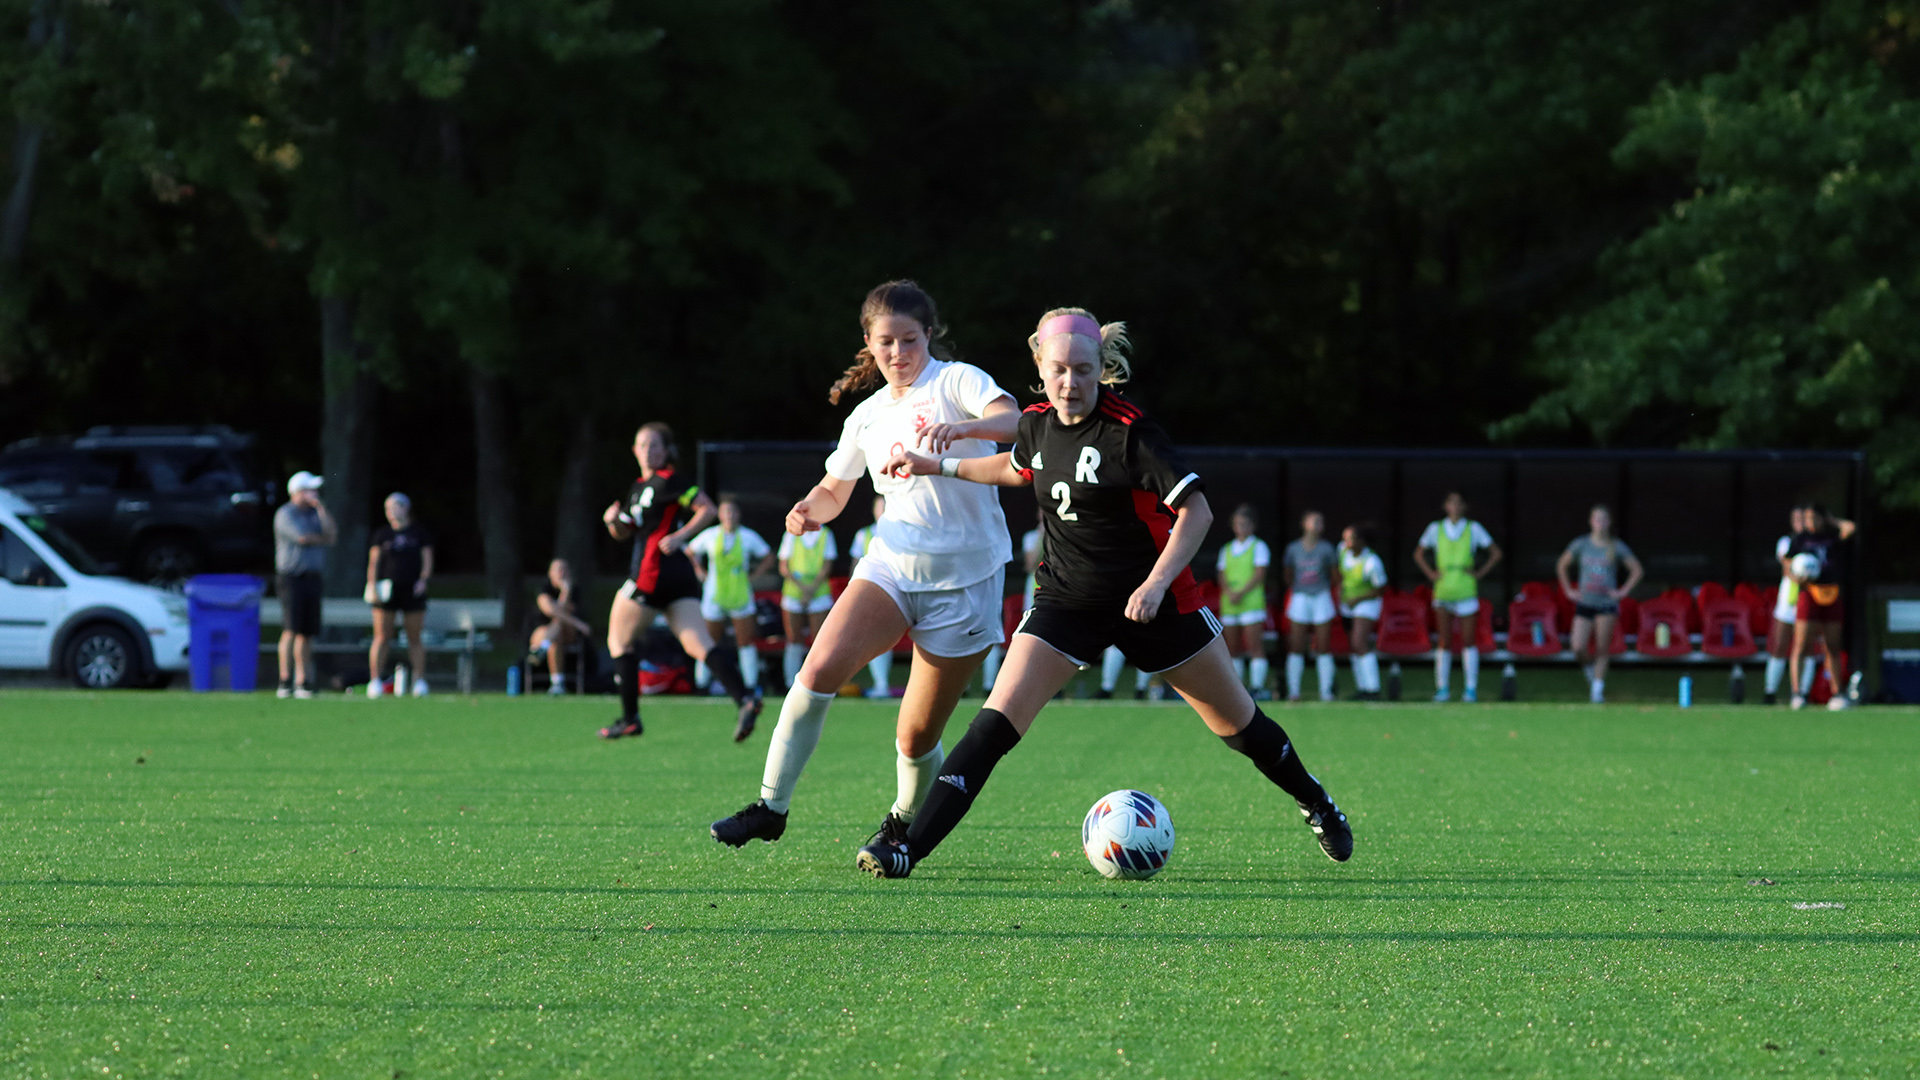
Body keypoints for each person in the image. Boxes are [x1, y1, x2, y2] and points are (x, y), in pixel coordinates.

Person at [854, 306, 1351, 879]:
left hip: (1155, 605)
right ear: (1040, 367)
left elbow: (1197, 512)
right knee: (992, 726)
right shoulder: (1036, 424)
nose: (1071, 382)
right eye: (1059, 370)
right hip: (1067, 602)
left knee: (1240, 729)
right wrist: (934, 465)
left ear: (1101, 368)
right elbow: (1015, 470)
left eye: (1083, 370)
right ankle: (908, 849)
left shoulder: (1131, 433)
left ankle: (1317, 802)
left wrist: (1155, 583)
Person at [710, 280, 1021, 850]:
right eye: (886, 342)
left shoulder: (956, 381)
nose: (899, 353)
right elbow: (835, 488)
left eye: (910, 340)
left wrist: (963, 428)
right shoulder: (867, 416)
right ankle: (771, 806)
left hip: (968, 582)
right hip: (891, 567)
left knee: (915, 737)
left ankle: (901, 823)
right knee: (816, 671)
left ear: (929, 334)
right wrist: (807, 509)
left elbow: (1014, 420)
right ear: (869, 344)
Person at [599, 422, 762, 742]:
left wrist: (681, 536)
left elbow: (707, 508)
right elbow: (624, 531)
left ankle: (630, 719)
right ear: (634, 450)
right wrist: (612, 521)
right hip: (678, 578)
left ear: (666, 451)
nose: (647, 451)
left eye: (654, 445)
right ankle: (745, 698)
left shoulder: (669, 480)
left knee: (618, 642)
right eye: (642, 445)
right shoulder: (638, 488)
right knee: (699, 644)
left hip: (651, 573)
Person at [1413, 492, 1502, 702]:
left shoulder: (1473, 528)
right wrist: (1431, 574)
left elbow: (1496, 553)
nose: (1454, 506)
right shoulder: (1435, 528)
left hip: (1465, 588)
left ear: (1464, 506)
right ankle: (1442, 688)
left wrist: (1479, 573)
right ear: (1445, 506)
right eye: (1451, 502)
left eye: (1458, 503)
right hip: (1444, 589)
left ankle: (1470, 689)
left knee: (1468, 641)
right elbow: (1418, 553)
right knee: (1444, 640)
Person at [688, 493, 776, 698]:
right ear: (720, 515)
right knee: (708, 641)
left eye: (733, 512)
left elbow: (768, 556)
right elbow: (690, 551)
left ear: (739, 514)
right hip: (714, 596)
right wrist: (699, 571)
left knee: (745, 641)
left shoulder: (747, 536)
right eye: (725, 512)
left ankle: (750, 684)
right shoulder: (710, 535)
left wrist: (753, 576)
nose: (729, 516)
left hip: (740, 596)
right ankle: (702, 684)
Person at [1555, 505, 1643, 705]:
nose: (1600, 523)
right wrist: (1568, 590)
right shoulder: (1581, 544)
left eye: (1604, 519)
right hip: (1585, 601)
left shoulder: (1616, 546)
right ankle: (1590, 671)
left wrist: (1623, 591)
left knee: (1603, 648)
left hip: (1606, 603)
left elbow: (1637, 569)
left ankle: (1597, 690)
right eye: (1596, 519)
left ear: (1609, 522)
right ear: (1590, 521)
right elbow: (1562, 565)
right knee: (1578, 646)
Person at [1787, 503, 1858, 711]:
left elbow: (1850, 528)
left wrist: (1830, 520)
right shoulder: (1800, 539)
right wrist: (1797, 576)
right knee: (1801, 645)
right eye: (1807, 518)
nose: (1810, 522)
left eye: (1814, 518)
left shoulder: (1832, 537)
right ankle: (1797, 693)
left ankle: (1837, 693)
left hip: (1831, 593)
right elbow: (1788, 564)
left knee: (1832, 646)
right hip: (1809, 593)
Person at [365, 492, 434, 698]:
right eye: (388, 508)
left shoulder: (419, 533)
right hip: (387, 590)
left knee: (414, 637)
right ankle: (375, 680)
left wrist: (423, 580)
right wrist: (372, 585)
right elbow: (374, 562)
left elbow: (427, 559)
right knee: (381, 636)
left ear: (406, 509)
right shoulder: (382, 534)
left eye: (396, 507)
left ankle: (419, 680)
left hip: (412, 590)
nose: (392, 512)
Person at [273, 471, 335, 699]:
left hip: (312, 577)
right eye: (309, 490)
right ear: (297, 492)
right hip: (292, 577)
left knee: (307, 633)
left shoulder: (316, 514)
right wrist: (322, 539)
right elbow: (303, 538)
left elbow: (332, 535)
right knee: (291, 629)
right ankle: (284, 680)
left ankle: (303, 680)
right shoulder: (286, 513)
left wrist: (322, 510)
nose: (314, 494)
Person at [1282, 511, 1339, 702]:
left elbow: (1334, 575)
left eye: (1320, 521)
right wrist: (1299, 589)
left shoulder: (1327, 548)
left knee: (1323, 646)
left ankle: (1326, 692)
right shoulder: (1293, 548)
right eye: (1314, 521)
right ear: (1304, 524)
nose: (1317, 524)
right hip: (1300, 597)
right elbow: (1288, 574)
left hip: (1321, 597)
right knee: (1296, 646)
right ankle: (1294, 692)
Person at [1217, 504, 1272, 699]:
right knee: (1233, 648)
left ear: (1252, 526)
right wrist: (1230, 593)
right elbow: (1221, 574)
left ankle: (1257, 687)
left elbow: (1259, 574)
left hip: (1251, 603)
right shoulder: (1226, 549)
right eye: (1238, 523)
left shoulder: (1259, 546)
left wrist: (1240, 592)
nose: (1241, 527)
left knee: (1254, 645)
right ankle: (1237, 689)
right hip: (1230, 604)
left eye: (1245, 524)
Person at [777, 525, 838, 690]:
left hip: (819, 593)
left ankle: (817, 683)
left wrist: (811, 589)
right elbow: (784, 566)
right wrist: (804, 589)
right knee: (793, 639)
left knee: (819, 640)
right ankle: (790, 683)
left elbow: (827, 566)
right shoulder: (791, 534)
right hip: (794, 593)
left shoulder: (826, 534)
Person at [851, 495, 898, 699]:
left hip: (897, 590)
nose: (883, 510)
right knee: (875, 637)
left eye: (886, 506)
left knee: (888, 637)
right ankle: (881, 684)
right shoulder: (864, 534)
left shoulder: (901, 531)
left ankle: (883, 684)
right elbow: (856, 564)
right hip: (872, 591)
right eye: (880, 506)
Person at [1763, 507, 1809, 705]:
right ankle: (1770, 692)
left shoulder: (1816, 543)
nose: (1800, 522)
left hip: (1808, 600)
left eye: (1803, 518)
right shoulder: (1786, 542)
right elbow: (1787, 566)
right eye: (1796, 518)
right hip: (1788, 602)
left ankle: (1801, 693)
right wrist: (1801, 576)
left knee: (1806, 648)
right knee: (1779, 645)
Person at [1338, 524, 1387, 700]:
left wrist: (1357, 599)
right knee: (1354, 646)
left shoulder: (1372, 562)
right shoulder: (1342, 551)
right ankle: (1362, 687)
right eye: (1345, 539)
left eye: (1350, 539)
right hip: (1347, 604)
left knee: (1359, 642)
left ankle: (1373, 688)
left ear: (1361, 541)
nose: (1346, 543)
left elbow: (1380, 589)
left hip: (1367, 604)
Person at [530, 558, 592, 695]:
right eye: (559, 569)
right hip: (542, 632)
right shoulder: (544, 590)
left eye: (565, 569)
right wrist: (578, 624)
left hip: (566, 634)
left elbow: (561, 613)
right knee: (554, 632)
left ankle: (544, 647)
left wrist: (566, 591)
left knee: (558, 627)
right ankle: (557, 683)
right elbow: (550, 611)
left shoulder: (574, 591)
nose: (562, 573)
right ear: (550, 573)